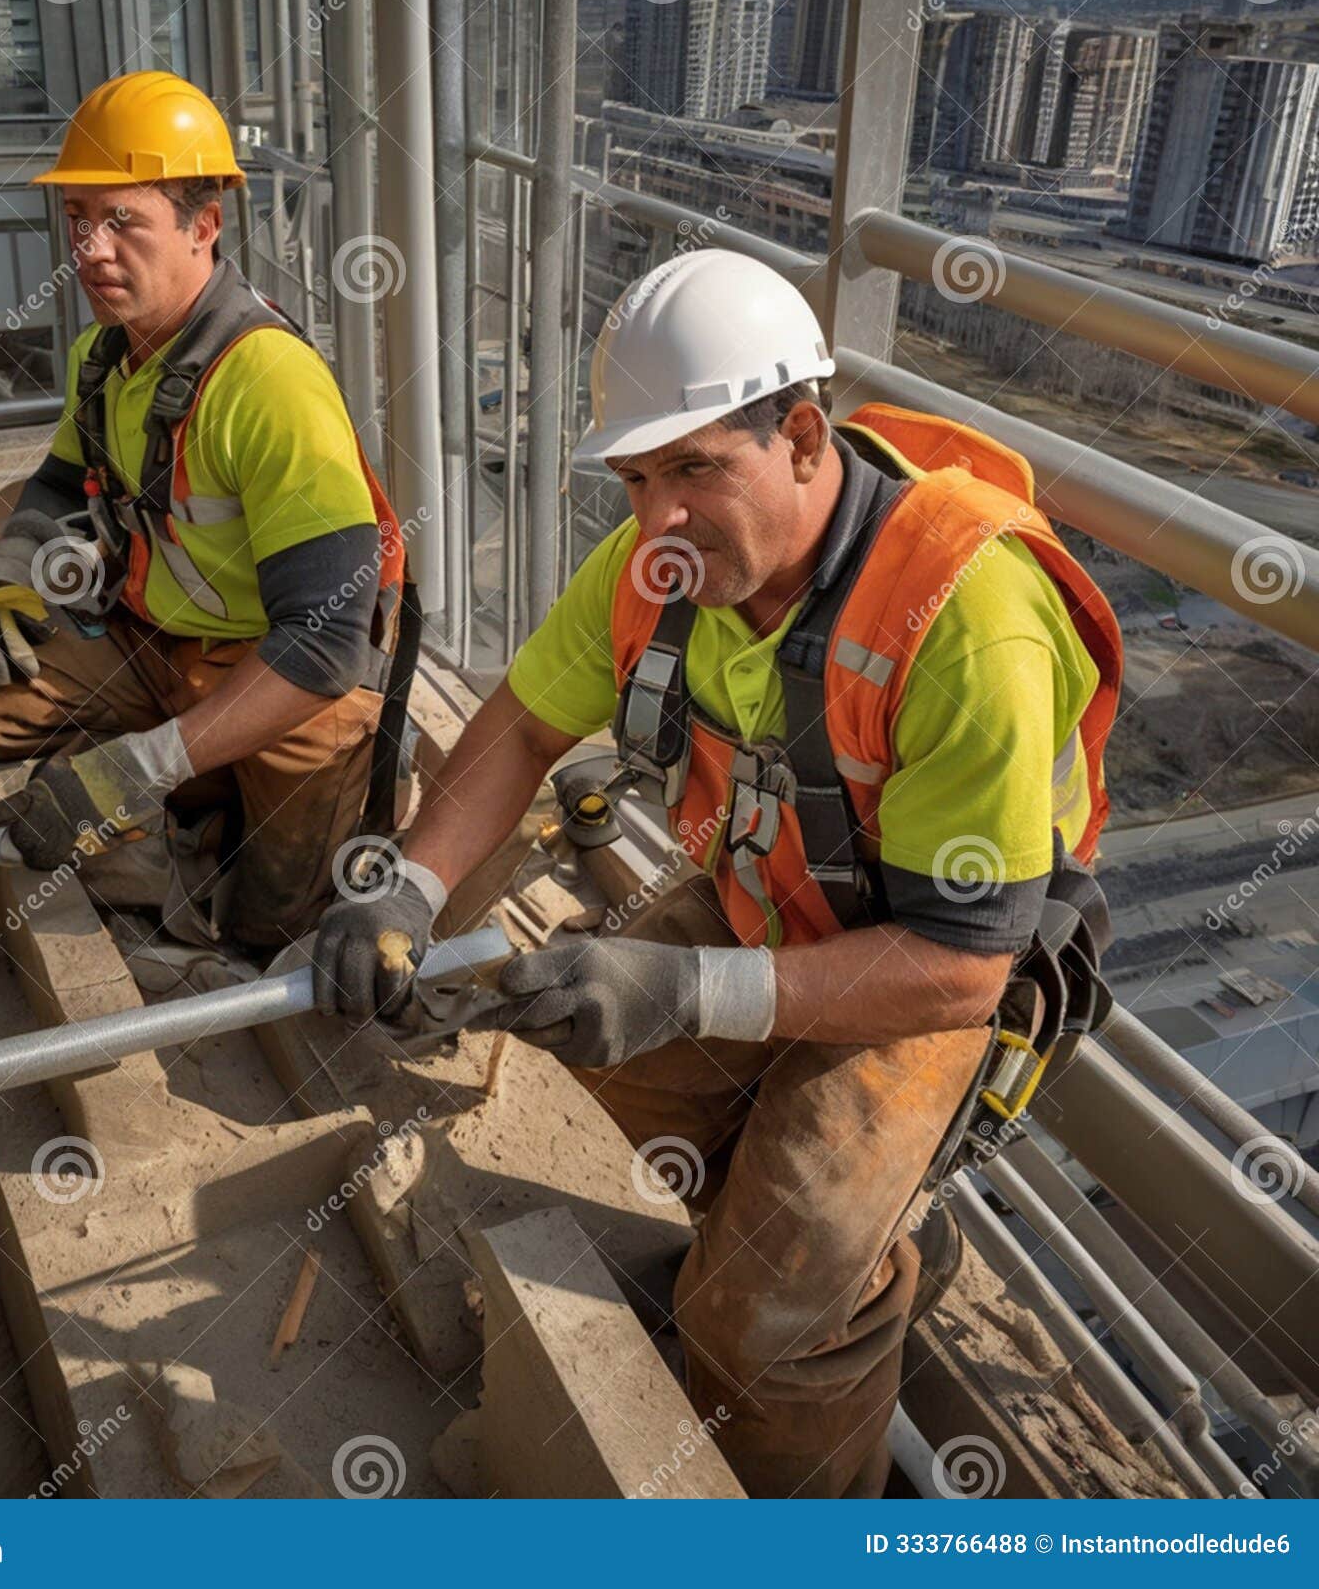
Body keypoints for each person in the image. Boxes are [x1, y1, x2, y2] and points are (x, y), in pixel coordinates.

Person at [311, 248, 1121, 1497]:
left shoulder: (967, 615)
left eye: (694, 467)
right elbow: (524, 725)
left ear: (802, 435)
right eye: (637, 476)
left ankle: (795, 1446)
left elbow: (960, 965)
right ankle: (846, 1245)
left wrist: (688, 989)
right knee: (596, 1068)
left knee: (765, 1330)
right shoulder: (667, 567)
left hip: (932, 967)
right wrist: (403, 890)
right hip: (778, 894)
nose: (656, 519)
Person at [0, 71, 411, 951]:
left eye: (123, 221)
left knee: (274, 924)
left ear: (205, 225)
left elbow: (325, 639)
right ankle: (207, 779)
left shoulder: (268, 382)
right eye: (78, 220)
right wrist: (1, 582)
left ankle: (239, 778)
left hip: (286, 678)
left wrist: (136, 768)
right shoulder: (104, 355)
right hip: (152, 642)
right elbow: (51, 487)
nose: (89, 251)